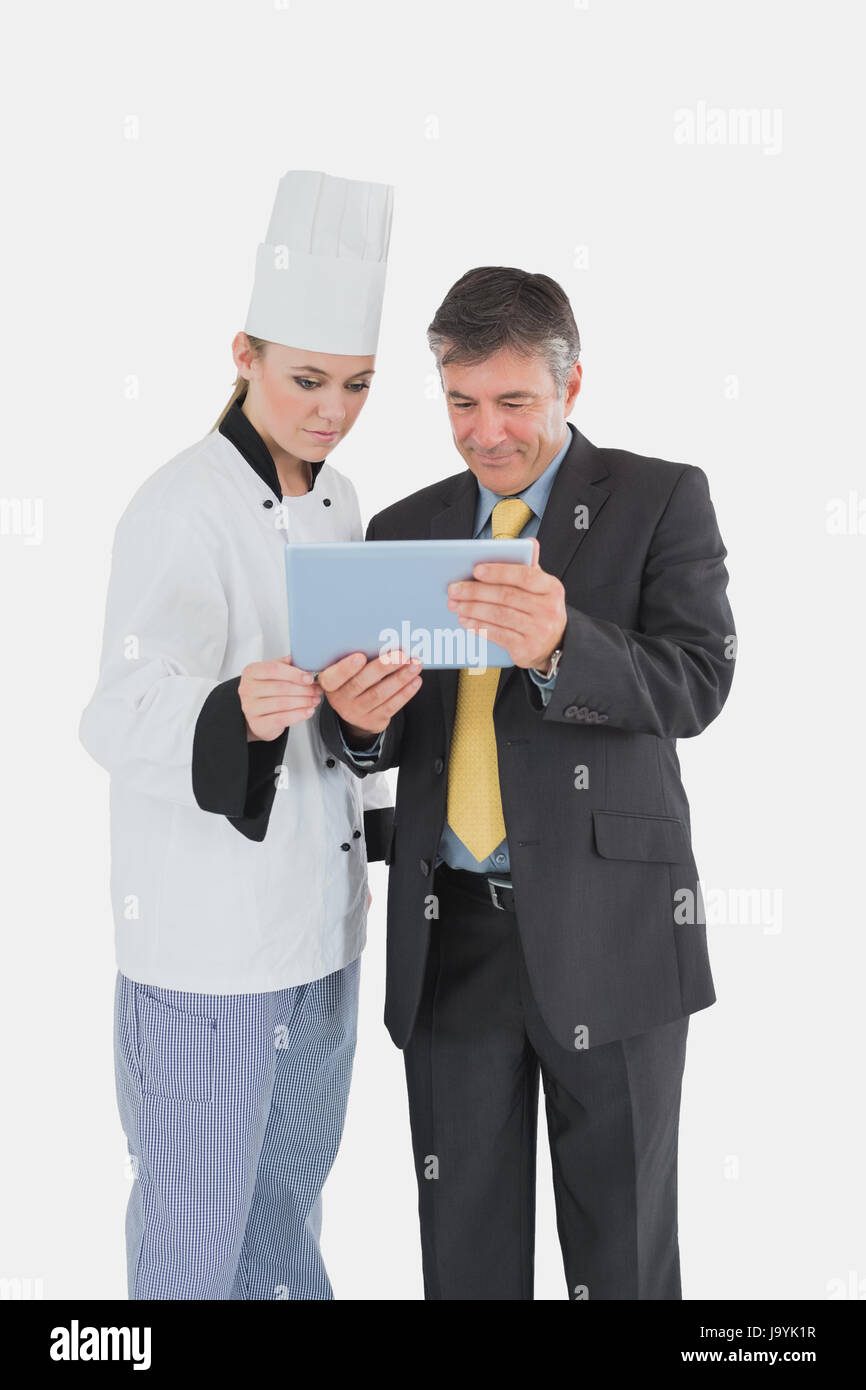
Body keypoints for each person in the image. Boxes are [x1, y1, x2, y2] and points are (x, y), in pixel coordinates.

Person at [317, 265, 737, 1300]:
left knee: (623, 1252)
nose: (485, 431)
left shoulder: (656, 498)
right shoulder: (404, 527)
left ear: (570, 386)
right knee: (462, 1252)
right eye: (461, 401)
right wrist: (359, 726)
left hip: (615, 934)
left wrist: (562, 646)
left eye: (513, 402)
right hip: (451, 937)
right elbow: (373, 735)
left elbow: (700, 679)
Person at [79, 169, 403, 1300]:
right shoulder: (175, 508)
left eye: (356, 384)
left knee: (286, 1224)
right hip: (206, 953)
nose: (331, 409)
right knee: (195, 1233)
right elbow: (114, 711)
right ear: (243, 353)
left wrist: (361, 723)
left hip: (322, 935)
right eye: (307, 379)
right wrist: (231, 706)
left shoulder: (344, 502)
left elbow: (341, 732)